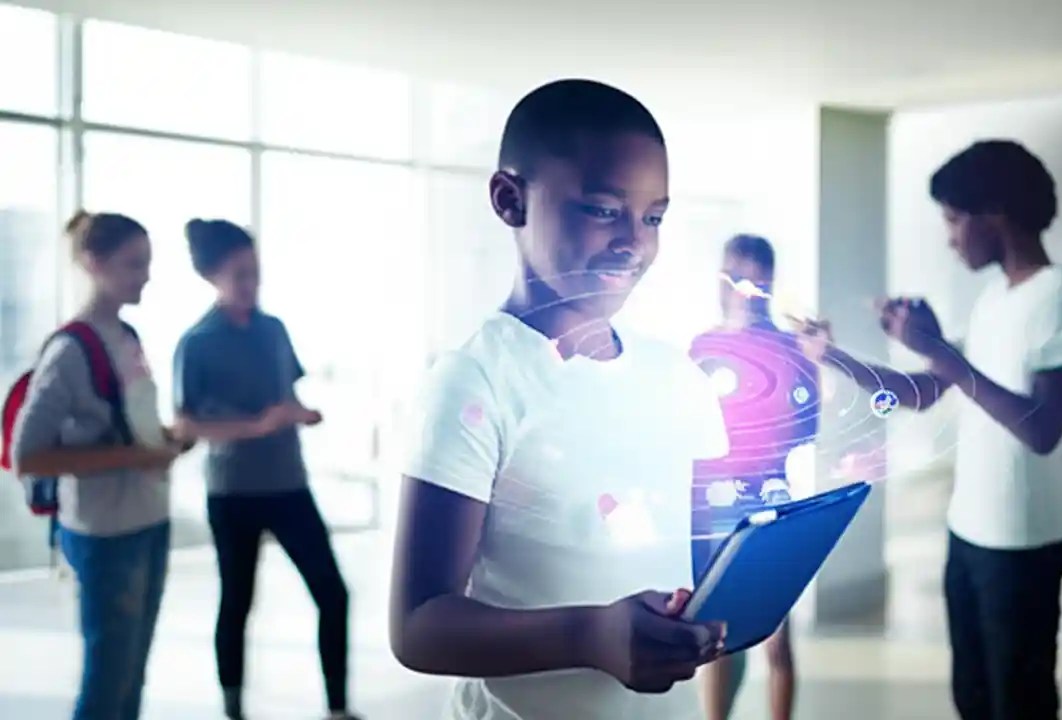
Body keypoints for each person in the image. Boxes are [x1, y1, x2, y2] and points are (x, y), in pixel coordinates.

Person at [388, 79, 729, 720]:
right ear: (510, 200)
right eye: (603, 210)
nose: (635, 242)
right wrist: (589, 636)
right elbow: (418, 626)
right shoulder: (475, 383)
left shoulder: (676, 375)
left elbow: (697, 555)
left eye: (653, 218)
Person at [800, 140, 1062, 720]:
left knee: (1020, 705)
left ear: (996, 213)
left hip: (1024, 542)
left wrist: (938, 349)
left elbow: (1042, 429)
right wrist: (832, 357)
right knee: (973, 699)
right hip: (968, 532)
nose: (950, 237)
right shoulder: (994, 298)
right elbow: (923, 392)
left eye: (955, 220)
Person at [172, 219, 359, 720]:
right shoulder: (197, 342)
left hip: (288, 484)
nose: (250, 283)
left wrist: (300, 413)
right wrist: (259, 425)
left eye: (254, 272)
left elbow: (285, 394)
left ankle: (338, 708)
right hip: (233, 492)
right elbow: (187, 425)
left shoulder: (273, 329)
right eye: (239, 275)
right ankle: (232, 709)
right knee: (237, 602)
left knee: (333, 594)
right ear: (211, 276)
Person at [12, 211, 188, 720]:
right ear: (93, 263)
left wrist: (166, 440)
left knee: (131, 675)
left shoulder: (126, 334)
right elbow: (28, 456)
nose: (146, 276)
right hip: (106, 533)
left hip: (149, 518)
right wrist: (135, 456)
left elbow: (127, 423)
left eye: (147, 263)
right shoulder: (70, 350)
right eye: (134, 264)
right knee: (108, 679)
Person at [690, 234, 819, 720]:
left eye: (756, 278)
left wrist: (812, 363)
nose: (745, 288)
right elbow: (685, 430)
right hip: (713, 507)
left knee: (777, 639)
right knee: (716, 637)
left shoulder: (789, 348)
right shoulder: (703, 347)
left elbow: (808, 427)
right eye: (736, 276)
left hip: (770, 504)